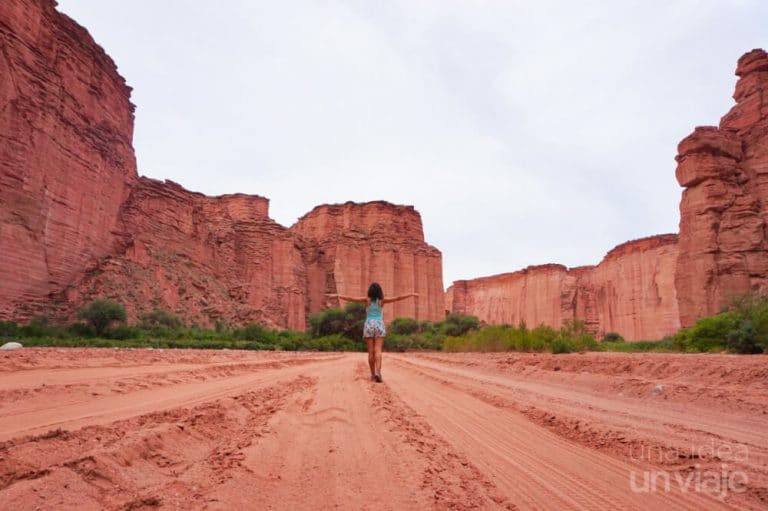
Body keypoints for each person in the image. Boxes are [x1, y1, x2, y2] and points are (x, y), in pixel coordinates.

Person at [328, 283, 418, 382]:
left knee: (371, 352)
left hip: (369, 324)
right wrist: (411, 294)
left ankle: (372, 375)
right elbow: (397, 298)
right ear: (380, 291)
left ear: (370, 291)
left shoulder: (367, 300)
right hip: (379, 324)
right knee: (378, 351)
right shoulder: (382, 301)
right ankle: (378, 372)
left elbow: (351, 298)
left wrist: (337, 296)